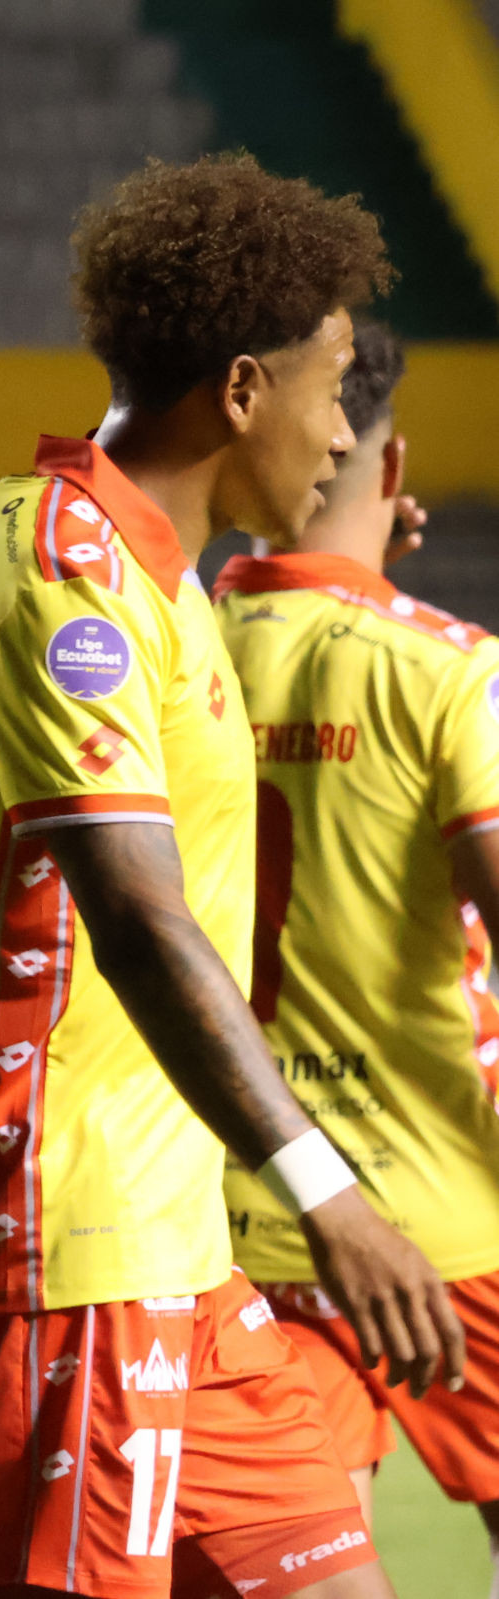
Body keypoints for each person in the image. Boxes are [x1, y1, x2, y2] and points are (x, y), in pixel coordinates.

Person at [0, 154, 465, 1599]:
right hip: (60, 1244)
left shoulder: (155, 580)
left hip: (173, 1242)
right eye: (330, 386)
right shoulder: (65, 573)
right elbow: (131, 912)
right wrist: (323, 1186)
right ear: (245, 387)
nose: (342, 435)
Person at [213, 320, 499, 1583]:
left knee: (320, 1553)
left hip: (252, 1222)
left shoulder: (174, 653)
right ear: (390, 469)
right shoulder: (447, 674)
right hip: (449, 1224)